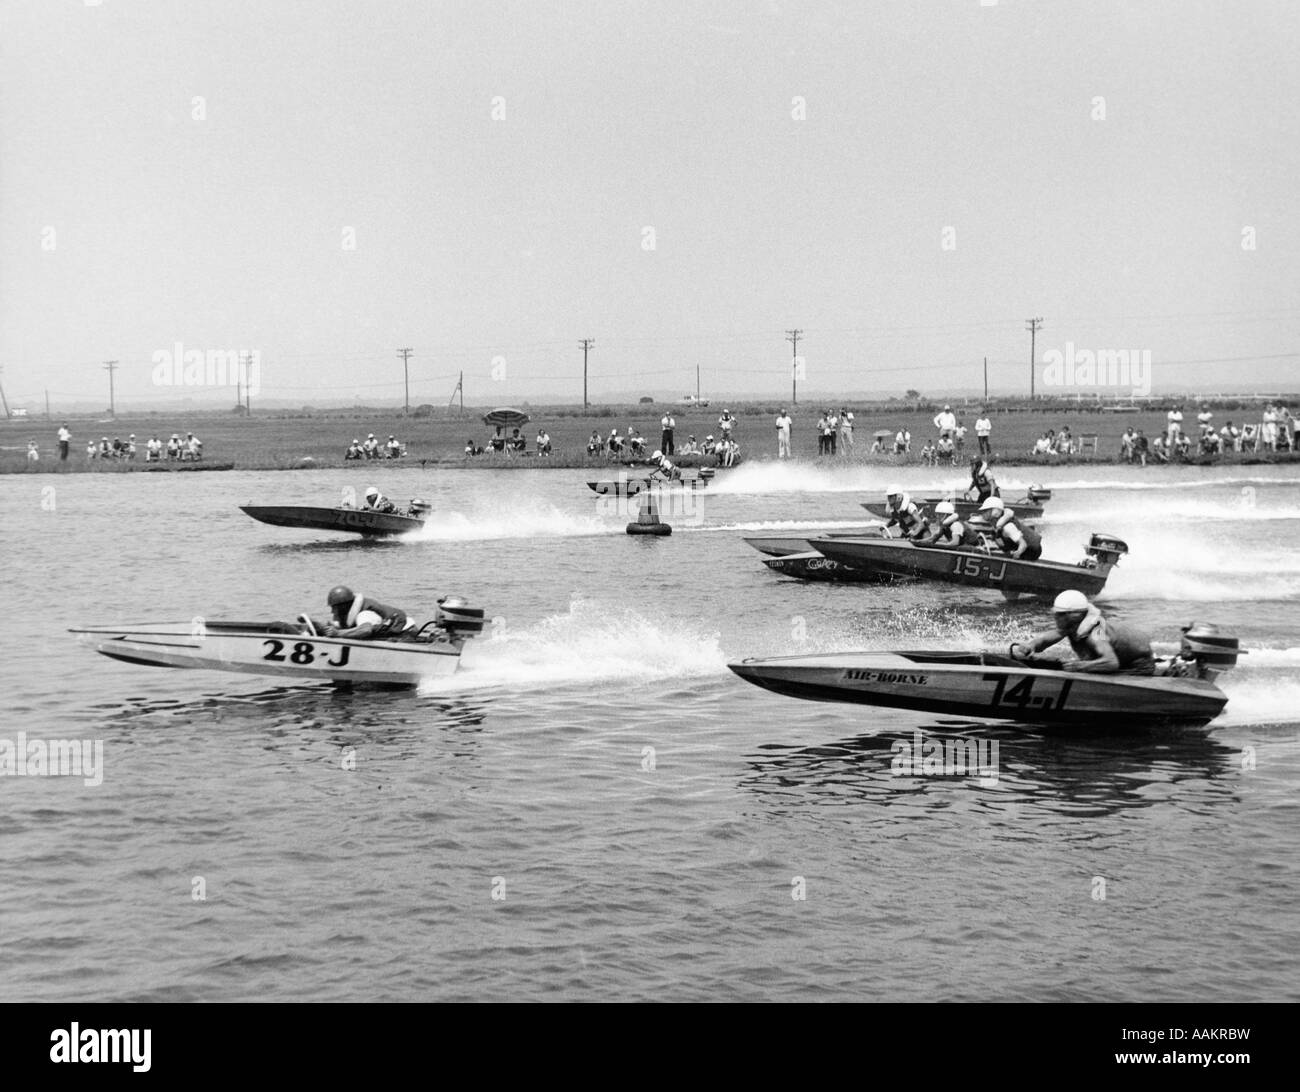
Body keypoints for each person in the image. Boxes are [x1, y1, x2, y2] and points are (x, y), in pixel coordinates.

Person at [1011, 590, 1155, 675]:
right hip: (1121, 660)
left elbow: (1111, 663)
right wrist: (1031, 645)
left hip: (1138, 666)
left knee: (1085, 666)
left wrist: (1080, 666)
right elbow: (1046, 639)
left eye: (1060, 614)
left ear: (1073, 615)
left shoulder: (1096, 633)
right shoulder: (1072, 626)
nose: (1055, 617)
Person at [322, 585, 414, 640]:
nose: (332, 612)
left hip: (405, 634)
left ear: (343, 607)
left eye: (334, 608)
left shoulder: (364, 614)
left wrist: (338, 633)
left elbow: (365, 630)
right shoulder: (354, 614)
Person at [977, 495, 1042, 560]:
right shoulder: (997, 525)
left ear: (995, 511)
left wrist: (1017, 554)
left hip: (1030, 551)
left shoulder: (1008, 527)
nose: (983, 513)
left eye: (986, 511)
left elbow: (1023, 545)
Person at [915, 501, 982, 548]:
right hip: (962, 547)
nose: (937, 516)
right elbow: (932, 539)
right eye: (937, 514)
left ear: (946, 514)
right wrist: (918, 541)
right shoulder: (944, 526)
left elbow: (955, 542)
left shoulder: (955, 525)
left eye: (940, 514)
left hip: (972, 547)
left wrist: (942, 547)